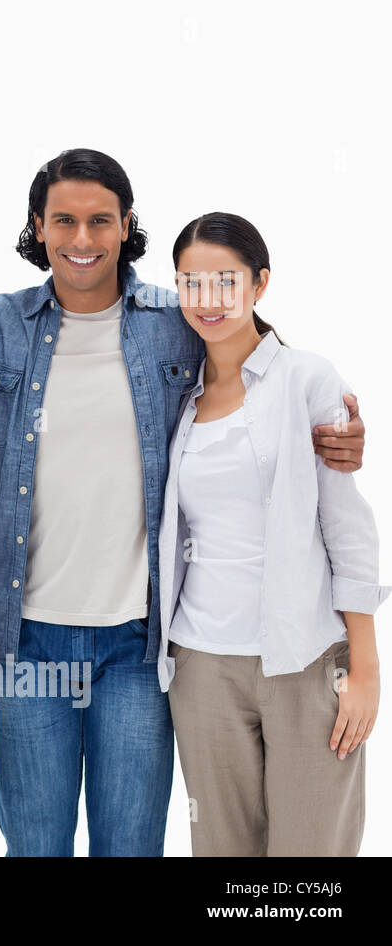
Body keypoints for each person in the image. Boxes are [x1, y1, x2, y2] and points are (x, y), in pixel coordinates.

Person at [0, 148, 366, 856]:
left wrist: (333, 428)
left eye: (99, 221)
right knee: (36, 843)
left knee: (130, 844)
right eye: (64, 221)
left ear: (125, 226)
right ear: (39, 227)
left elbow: (248, 349)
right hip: (31, 637)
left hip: (138, 642)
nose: (82, 239)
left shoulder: (173, 320)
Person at [159, 212, 386, 855]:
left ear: (260, 284)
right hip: (200, 663)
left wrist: (364, 668)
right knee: (225, 855)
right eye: (191, 283)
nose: (208, 300)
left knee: (310, 859)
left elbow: (348, 529)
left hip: (305, 659)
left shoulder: (306, 379)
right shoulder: (183, 397)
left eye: (225, 281)